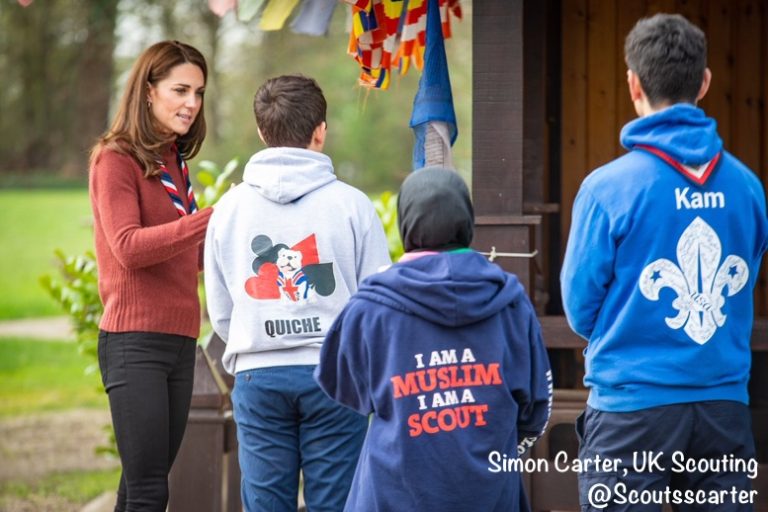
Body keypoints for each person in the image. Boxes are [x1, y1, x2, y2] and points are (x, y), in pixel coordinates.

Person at [561, 13, 768, 511]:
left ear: (633, 84)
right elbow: (742, 282)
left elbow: (579, 309)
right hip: (723, 409)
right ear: (704, 82)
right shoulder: (747, 187)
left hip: (631, 412)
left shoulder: (606, 189)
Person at [204, 74, 391, 511]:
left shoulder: (228, 209)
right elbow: (377, 305)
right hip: (335, 376)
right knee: (336, 503)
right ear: (320, 131)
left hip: (258, 374)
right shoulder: (353, 205)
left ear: (261, 131)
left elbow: (222, 311)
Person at [315, 167, 553, 511]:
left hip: (392, 493)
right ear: (467, 221)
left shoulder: (371, 306)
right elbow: (536, 407)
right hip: (490, 494)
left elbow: (343, 388)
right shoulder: (510, 301)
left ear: (405, 223)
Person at [88, 40, 212, 511]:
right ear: (148, 91)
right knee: (149, 492)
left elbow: (188, 255)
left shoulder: (174, 162)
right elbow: (128, 247)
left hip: (181, 341)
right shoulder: (115, 158)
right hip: (134, 341)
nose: (192, 103)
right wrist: (209, 219)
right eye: (181, 90)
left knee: (141, 487)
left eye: (198, 93)